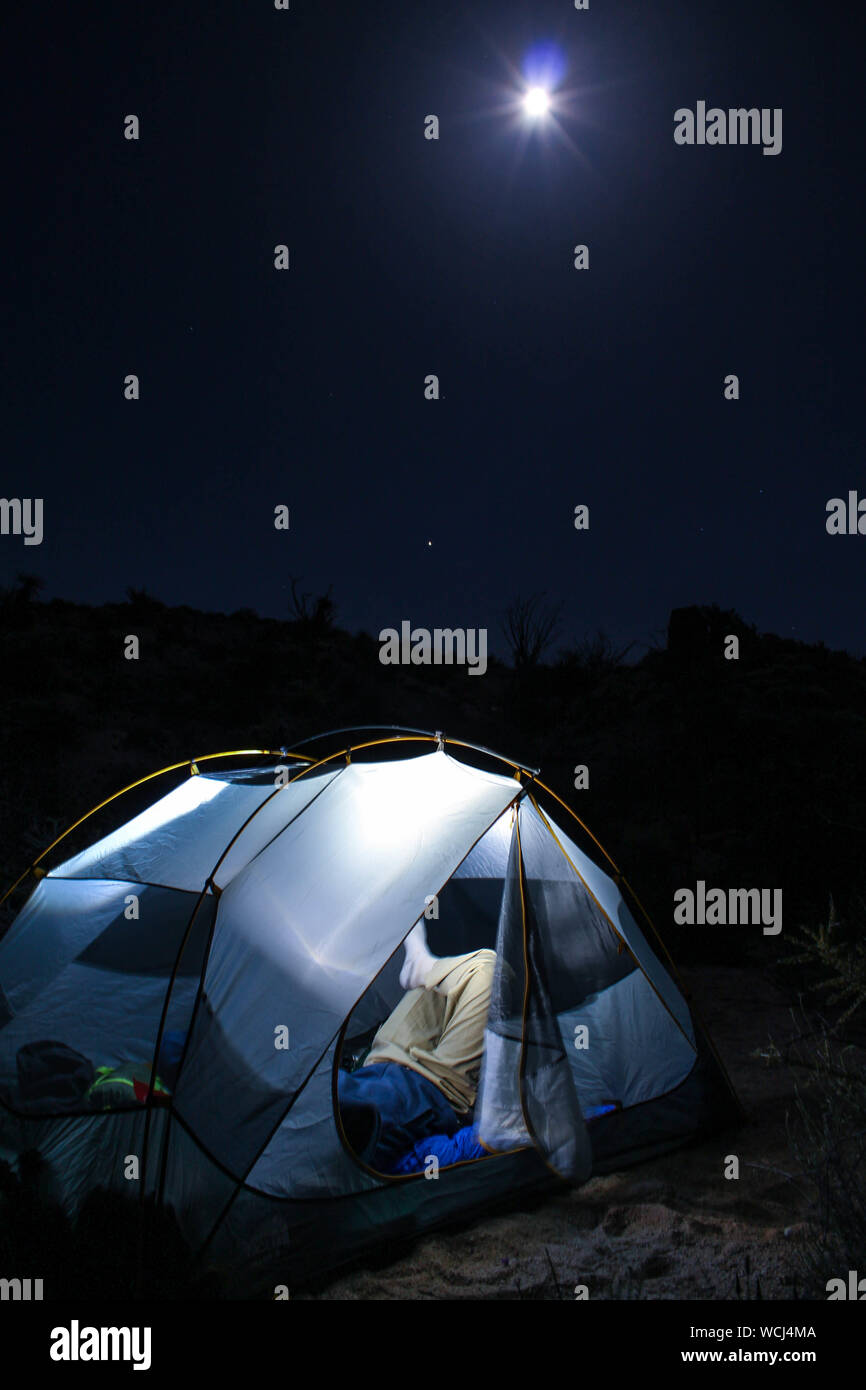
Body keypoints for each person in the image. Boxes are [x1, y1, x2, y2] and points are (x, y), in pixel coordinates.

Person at [337, 921, 496, 1173]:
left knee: (436, 984)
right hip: (439, 1085)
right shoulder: (342, 1165)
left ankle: (420, 963)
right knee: (488, 968)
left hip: (383, 1059)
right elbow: (432, 1157)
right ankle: (422, 964)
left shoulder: (284, 1129)